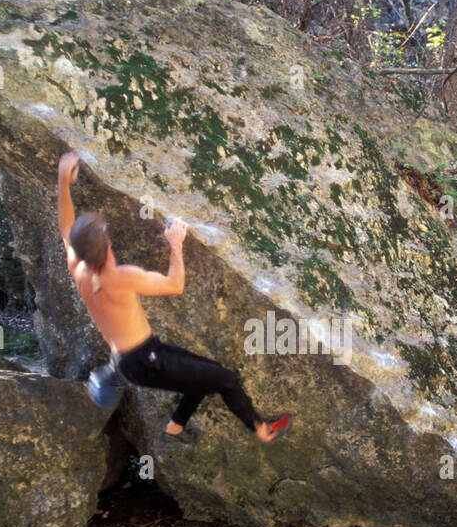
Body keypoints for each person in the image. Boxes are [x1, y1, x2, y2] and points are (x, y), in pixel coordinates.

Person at [58, 150, 292, 444]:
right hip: (146, 361)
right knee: (226, 380)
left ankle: (175, 428)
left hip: (130, 360)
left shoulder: (79, 270)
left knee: (205, 376)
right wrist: (175, 243)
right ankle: (263, 432)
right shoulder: (120, 277)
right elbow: (174, 285)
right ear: (109, 245)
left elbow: (66, 228)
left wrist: (63, 182)